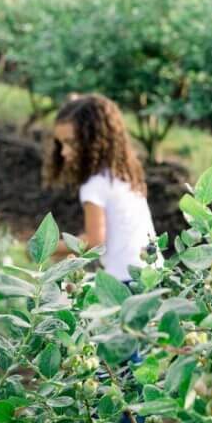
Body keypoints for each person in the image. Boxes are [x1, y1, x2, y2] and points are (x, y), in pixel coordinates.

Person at [42, 93, 157, 282]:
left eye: (70, 143)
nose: (63, 152)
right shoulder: (122, 174)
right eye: (60, 144)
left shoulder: (94, 185)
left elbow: (95, 242)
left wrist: (48, 248)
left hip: (124, 281)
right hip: (151, 272)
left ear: (92, 139)